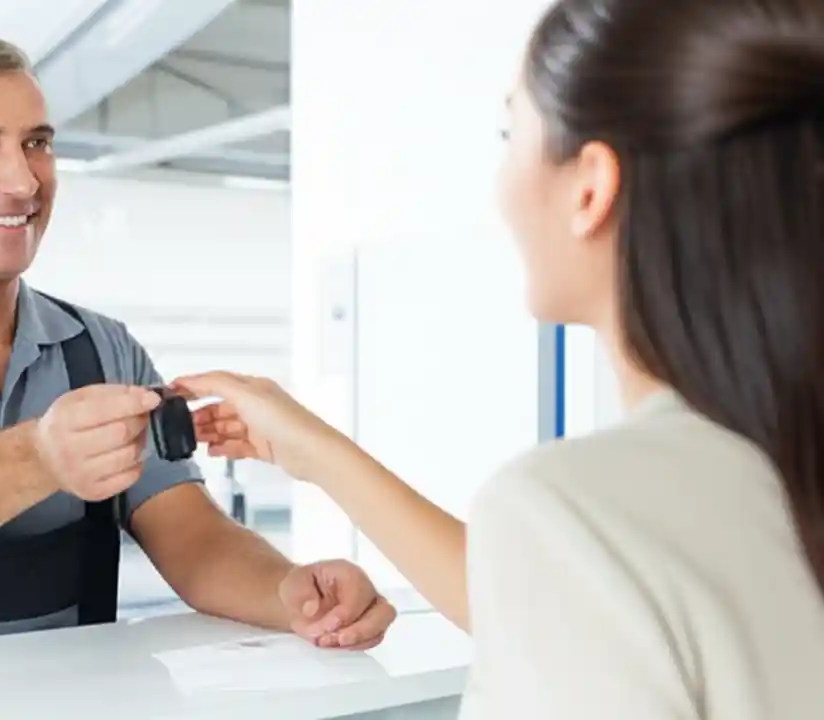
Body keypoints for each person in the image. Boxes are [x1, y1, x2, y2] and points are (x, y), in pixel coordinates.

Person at [172, 0, 824, 717]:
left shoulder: (575, 508)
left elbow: (579, 584)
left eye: (511, 134)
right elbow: (574, 608)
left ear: (590, 188)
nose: (501, 186)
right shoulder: (758, 468)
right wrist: (317, 452)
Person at [0, 30, 394, 657]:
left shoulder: (101, 350)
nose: (24, 181)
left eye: (37, 143)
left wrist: (292, 595)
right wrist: (43, 456)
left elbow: (192, 536)